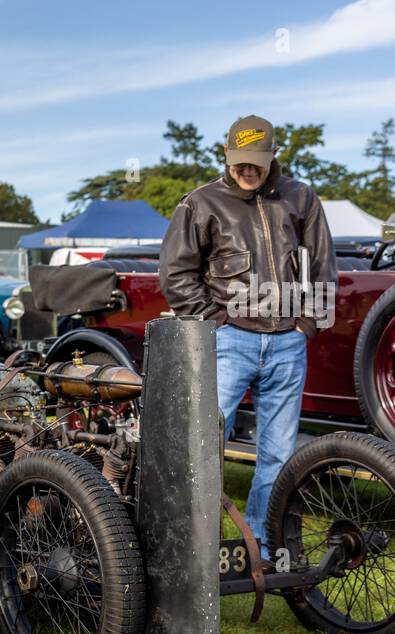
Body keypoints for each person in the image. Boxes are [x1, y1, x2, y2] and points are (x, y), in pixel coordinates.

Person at [159, 114, 336, 556]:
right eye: (240, 161)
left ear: (273, 155)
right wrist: (212, 321)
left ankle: (258, 544)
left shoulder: (302, 198)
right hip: (229, 341)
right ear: (226, 155)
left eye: (256, 161)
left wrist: (307, 325)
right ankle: (192, 547)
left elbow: (321, 266)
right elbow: (176, 273)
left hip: (288, 344)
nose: (248, 169)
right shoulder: (199, 203)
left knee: (277, 454)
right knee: (203, 447)